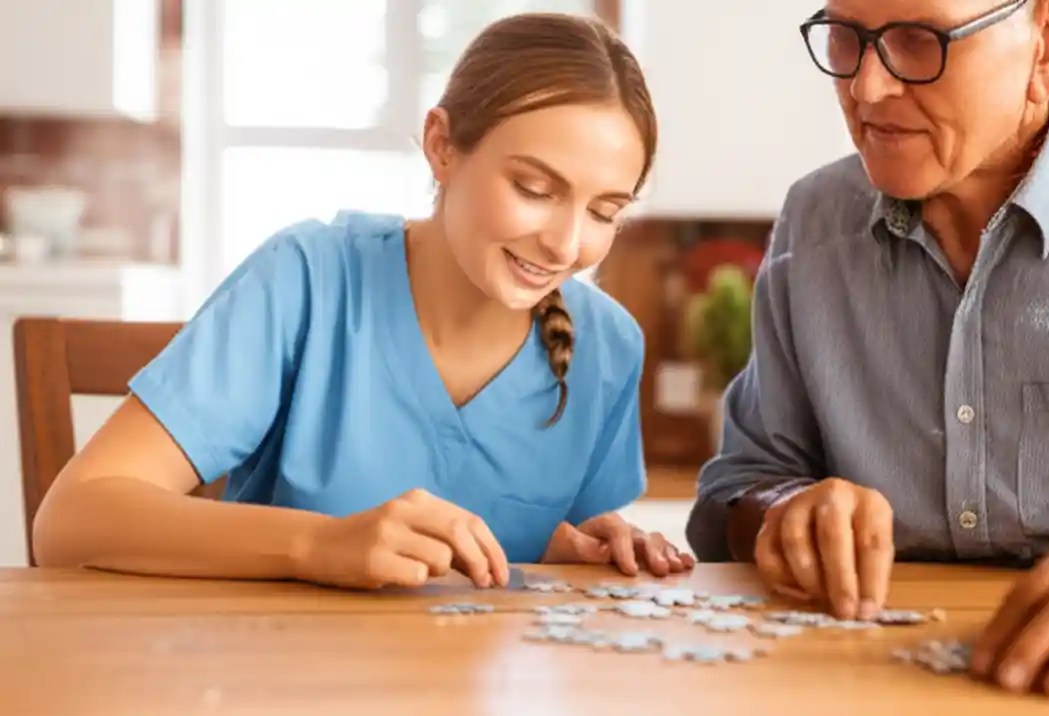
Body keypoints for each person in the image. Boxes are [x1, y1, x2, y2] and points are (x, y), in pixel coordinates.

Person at [686, 0, 1049, 707]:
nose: (866, 87)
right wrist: (785, 508)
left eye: (918, 41)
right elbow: (741, 484)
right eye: (845, 36)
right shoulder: (813, 222)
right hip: (864, 688)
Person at [33, 12, 694, 591]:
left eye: (606, 211)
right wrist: (320, 545)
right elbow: (72, 520)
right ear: (442, 145)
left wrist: (587, 543)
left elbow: (539, 555)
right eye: (534, 188)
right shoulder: (306, 282)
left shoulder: (608, 346)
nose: (565, 243)